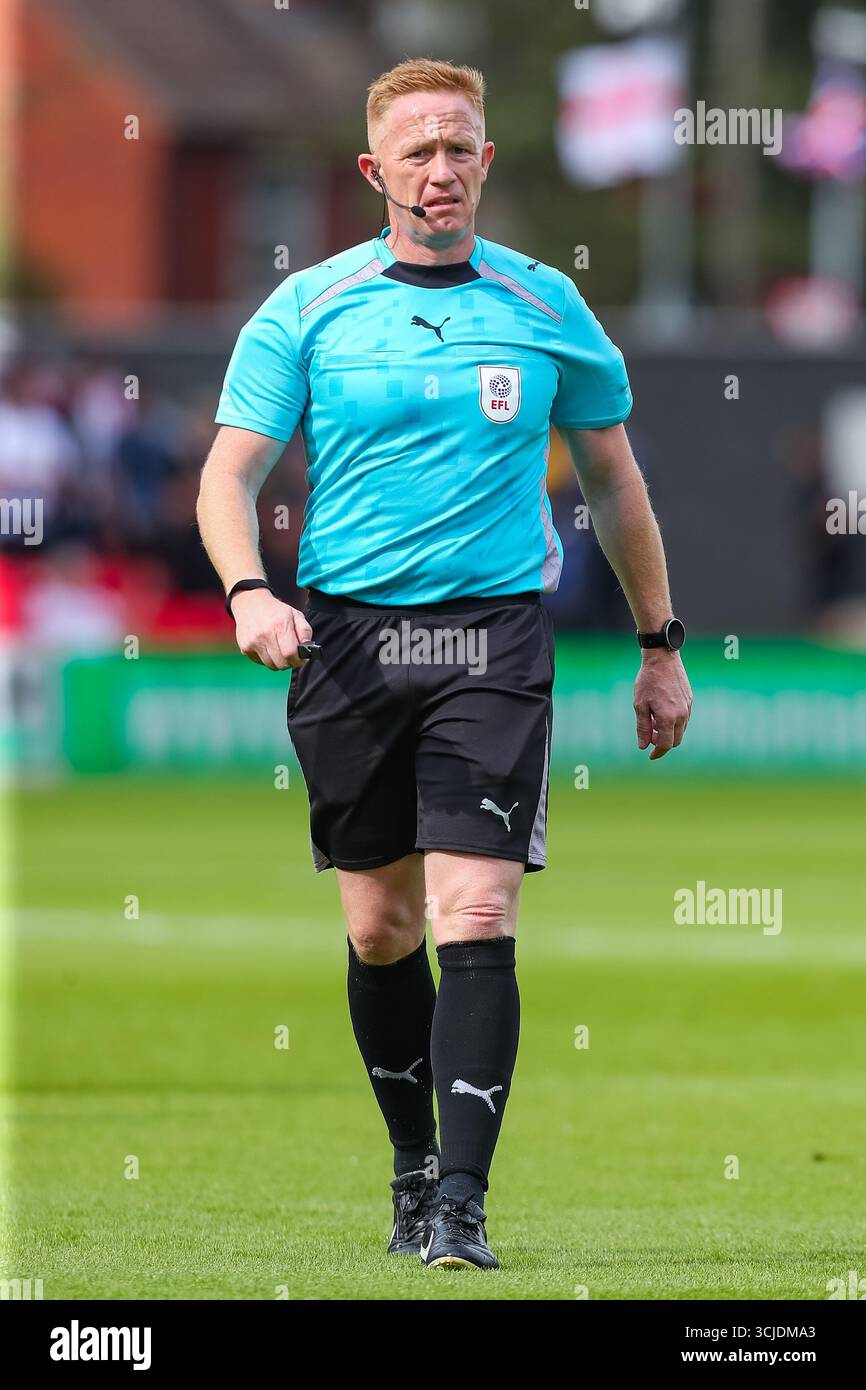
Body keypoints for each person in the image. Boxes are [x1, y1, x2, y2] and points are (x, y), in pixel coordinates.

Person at [197, 58, 692, 1271]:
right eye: (415, 149)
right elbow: (226, 476)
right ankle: (410, 1169)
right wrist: (249, 590)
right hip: (349, 640)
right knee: (379, 927)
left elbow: (616, 481)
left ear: (484, 162)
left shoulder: (543, 305)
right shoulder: (307, 306)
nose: (439, 167)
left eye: (458, 145)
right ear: (375, 173)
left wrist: (658, 646)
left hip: (491, 638)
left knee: (477, 904)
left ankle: (462, 1206)